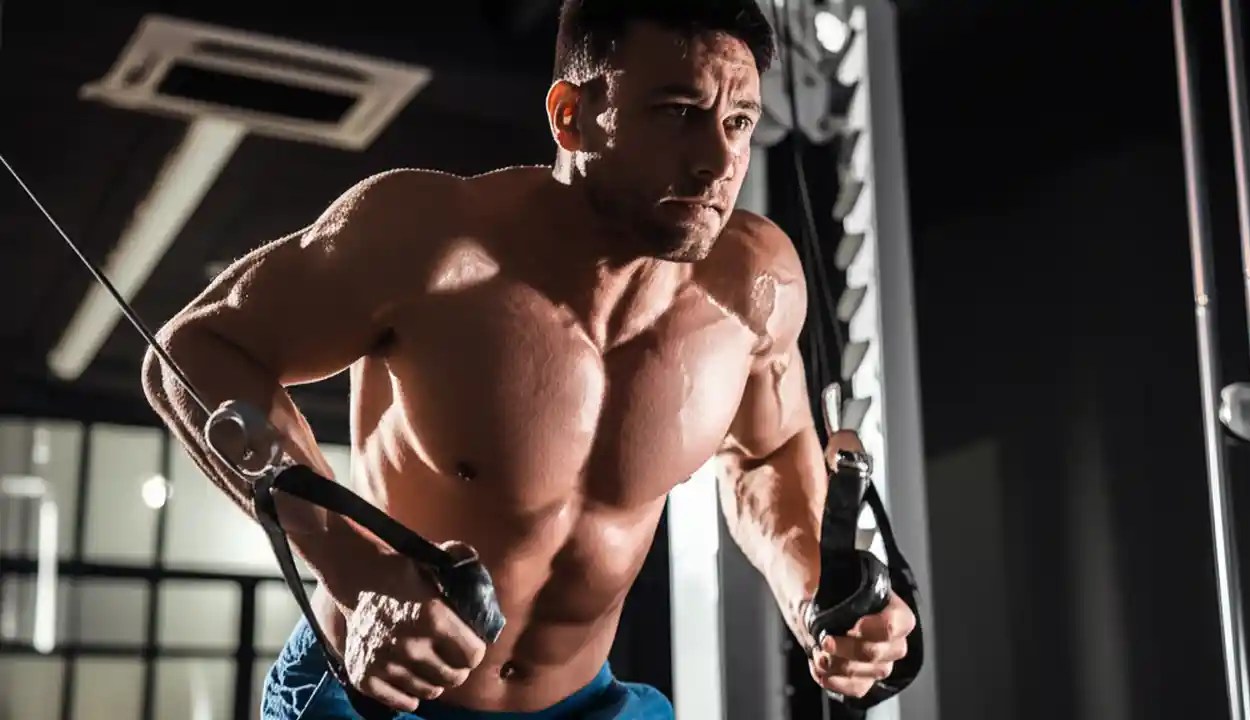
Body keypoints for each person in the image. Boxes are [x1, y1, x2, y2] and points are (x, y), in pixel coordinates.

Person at [142, 1, 916, 718]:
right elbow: (194, 351)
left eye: (739, 121)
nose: (718, 163)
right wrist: (358, 572)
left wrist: (814, 591)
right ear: (572, 116)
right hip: (373, 698)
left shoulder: (755, 283)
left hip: (586, 702)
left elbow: (769, 449)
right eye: (679, 114)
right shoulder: (433, 245)